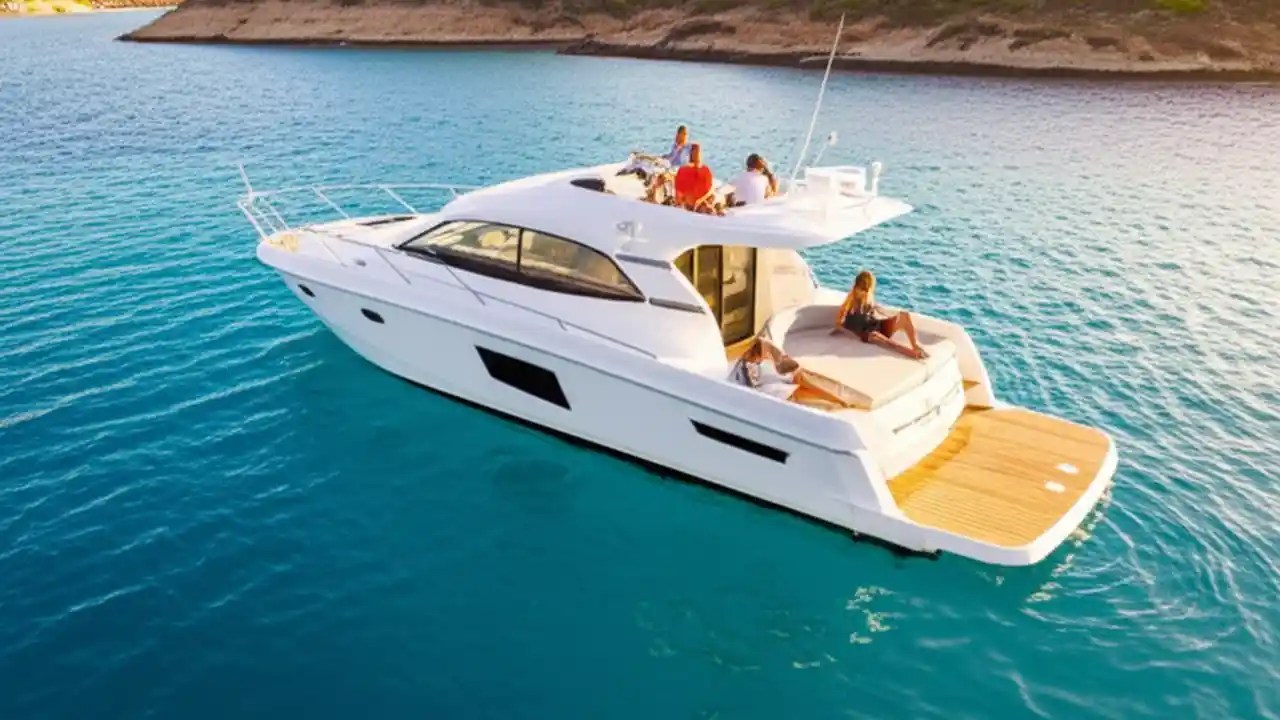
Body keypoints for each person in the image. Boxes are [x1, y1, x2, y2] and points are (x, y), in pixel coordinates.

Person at [832, 270, 929, 359]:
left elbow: (872, 312)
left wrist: (886, 315)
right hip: (867, 333)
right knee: (888, 342)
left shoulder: (869, 296)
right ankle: (912, 353)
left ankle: (915, 345)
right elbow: (842, 312)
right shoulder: (852, 298)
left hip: (875, 325)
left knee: (904, 315)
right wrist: (839, 326)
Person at [734, 337, 853, 408]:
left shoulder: (757, 353)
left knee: (821, 389)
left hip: (788, 382)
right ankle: (846, 401)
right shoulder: (744, 366)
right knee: (817, 394)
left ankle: (847, 401)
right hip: (784, 388)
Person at [673, 144, 719, 213]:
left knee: (710, 210)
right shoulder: (683, 170)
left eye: (698, 153)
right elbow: (678, 193)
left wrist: (700, 201)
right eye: (694, 153)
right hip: (687, 204)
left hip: (701, 203)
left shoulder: (705, 170)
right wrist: (682, 203)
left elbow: (710, 189)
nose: (696, 155)